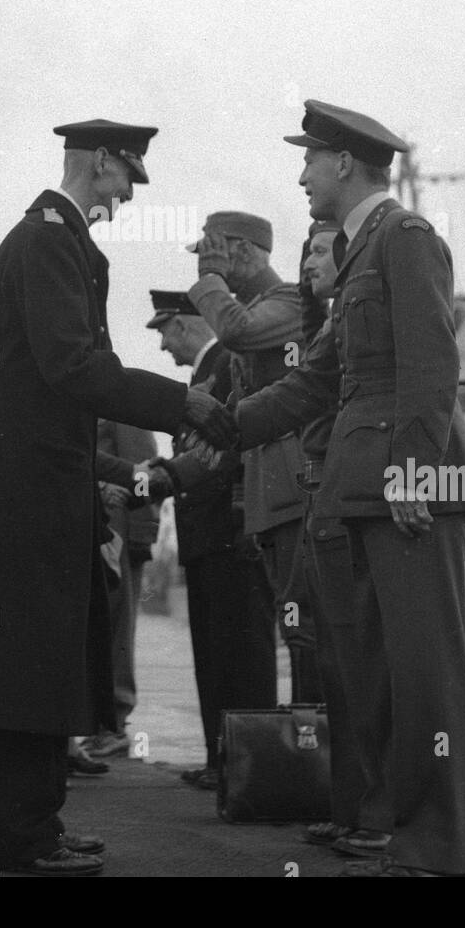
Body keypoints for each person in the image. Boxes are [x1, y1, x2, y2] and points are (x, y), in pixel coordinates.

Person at [0, 118, 234, 877]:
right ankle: (21, 841)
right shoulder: (48, 239)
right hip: (21, 480)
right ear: (100, 162)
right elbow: (72, 367)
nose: (123, 199)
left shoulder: (62, 241)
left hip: (37, 474)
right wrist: (182, 405)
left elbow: (74, 373)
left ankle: (37, 825)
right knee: (18, 658)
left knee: (41, 654)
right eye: (122, 181)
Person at [234, 100, 465, 878]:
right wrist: (213, 420)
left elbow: (430, 364)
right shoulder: (356, 253)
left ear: (343, 163)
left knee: (423, 672)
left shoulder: (403, 239)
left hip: (410, 485)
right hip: (361, 487)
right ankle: (388, 827)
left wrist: (411, 471)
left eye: (308, 159)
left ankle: (438, 849)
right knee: (372, 671)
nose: (301, 173)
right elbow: (317, 385)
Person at [188, 211, 325, 704]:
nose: (206, 266)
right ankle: (306, 739)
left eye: (215, 253)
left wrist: (208, 281)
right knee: (292, 617)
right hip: (269, 489)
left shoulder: (288, 301)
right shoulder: (261, 306)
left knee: (304, 621)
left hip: (293, 484)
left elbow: (237, 332)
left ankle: (317, 742)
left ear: (243, 252)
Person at [146, 290, 277, 790]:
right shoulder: (212, 370)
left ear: (184, 325)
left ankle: (251, 766)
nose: (163, 347)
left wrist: (158, 479)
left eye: (164, 333)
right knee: (214, 654)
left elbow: (224, 452)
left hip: (231, 535)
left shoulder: (230, 365)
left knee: (241, 654)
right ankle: (223, 760)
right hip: (207, 538)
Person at [296, 224, 392, 859]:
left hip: (357, 497)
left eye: (315, 251)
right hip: (329, 500)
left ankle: (377, 815)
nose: (305, 263)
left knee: (365, 662)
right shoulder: (329, 328)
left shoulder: (358, 319)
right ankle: (351, 807)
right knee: (335, 664)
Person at [85, 418, 171, 761]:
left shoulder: (115, 408)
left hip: (118, 524)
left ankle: (114, 723)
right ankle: (100, 723)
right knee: (99, 625)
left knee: (116, 624)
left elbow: (143, 474)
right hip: (95, 520)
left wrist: (138, 534)